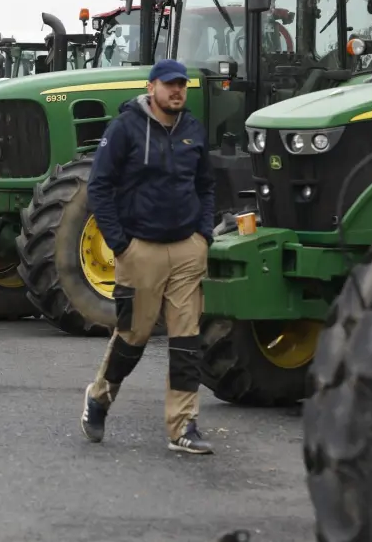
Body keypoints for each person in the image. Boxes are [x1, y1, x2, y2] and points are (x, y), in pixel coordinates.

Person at [80, 58, 216, 455]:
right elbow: (99, 187)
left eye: (182, 86)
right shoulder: (124, 129)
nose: (177, 91)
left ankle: (183, 426)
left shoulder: (192, 130)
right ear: (152, 86)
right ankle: (99, 398)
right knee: (134, 336)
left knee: (186, 338)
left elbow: (206, 185)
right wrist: (121, 243)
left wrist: (203, 235)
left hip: (187, 250)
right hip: (141, 251)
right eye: (170, 85)